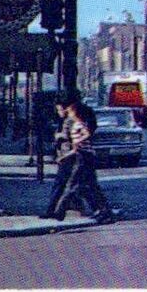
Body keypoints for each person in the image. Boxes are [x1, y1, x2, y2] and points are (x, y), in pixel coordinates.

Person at [42, 92, 115, 224]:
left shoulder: (73, 121)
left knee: (71, 184)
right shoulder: (77, 118)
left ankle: (58, 211)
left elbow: (81, 136)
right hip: (79, 155)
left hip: (79, 156)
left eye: (62, 109)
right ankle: (102, 211)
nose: (61, 112)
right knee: (88, 185)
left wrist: (67, 140)